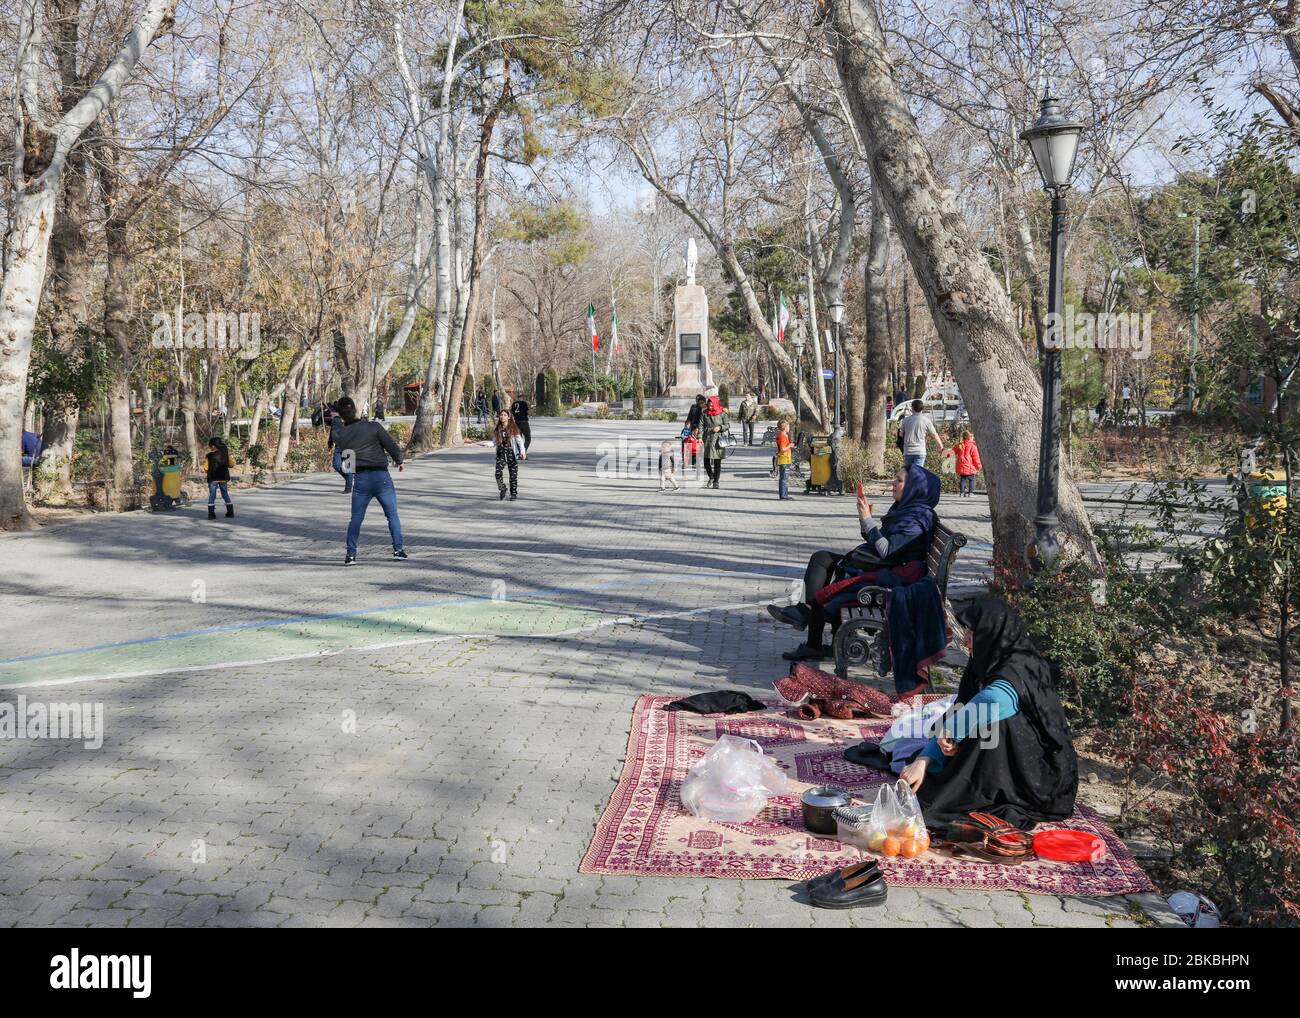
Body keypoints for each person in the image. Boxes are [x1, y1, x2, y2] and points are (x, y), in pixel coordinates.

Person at [899, 598, 1079, 831]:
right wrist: (943, 742)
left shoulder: (1020, 665)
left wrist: (931, 752)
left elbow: (992, 701)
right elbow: (965, 705)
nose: (965, 639)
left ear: (991, 632)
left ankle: (979, 792)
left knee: (997, 724)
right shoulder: (987, 660)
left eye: (972, 633)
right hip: (1007, 758)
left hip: (1041, 774)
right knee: (974, 724)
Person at [769, 464, 940, 661]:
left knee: (830, 568)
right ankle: (806, 618)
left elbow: (887, 551)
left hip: (890, 580)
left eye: (899, 481)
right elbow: (881, 545)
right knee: (822, 558)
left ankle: (809, 628)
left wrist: (868, 522)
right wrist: (864, 520)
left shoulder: (916, 519)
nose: (893, 483)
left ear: (915, 488)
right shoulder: (907, 511)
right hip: (886, 568)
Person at [333, 396, 406, 565]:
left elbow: (348, 466)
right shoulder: (373, 426)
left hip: (361, 480)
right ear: (355, 410)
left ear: (342, 415)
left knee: (356, 518)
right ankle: (398, 550)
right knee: (392, 515)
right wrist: (399, 461)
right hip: (382, 477)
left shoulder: (342, 436)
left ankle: (351, 555)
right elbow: (391, 445)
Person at [897, 399, 943, 469]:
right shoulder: (926, 420)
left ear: (912, 408)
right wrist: (940, 445)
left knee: (909, 473)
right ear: (922, 408)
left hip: (908, 451)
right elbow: (934, 434)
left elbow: (901, 434)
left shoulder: (906, 420)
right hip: (920, 451)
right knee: (918, 473)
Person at [491, 408, 525, 500]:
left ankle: (513, 494)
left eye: (505, 415)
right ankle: (502, 488)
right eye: (501, 415)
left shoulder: (513, 428)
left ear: (509, 417)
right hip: (501, 453)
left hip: (511, 453)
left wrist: (522, 452)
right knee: (497, 473)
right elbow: (493, 443)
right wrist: (484, 444)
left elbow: (520, 441)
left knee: (513, 475)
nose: (502, 417)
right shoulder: (497, 429)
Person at [699, 392, 730, 489]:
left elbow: (727, 425)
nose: (710, 406)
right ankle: (711, 476)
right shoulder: (704, 413)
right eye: (709, 404)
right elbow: (701, 425)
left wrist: (720, 427)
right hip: (707, 438)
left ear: (716, 404)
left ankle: (716, 481)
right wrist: (700, 437)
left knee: (717, 461)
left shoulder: (722, 413)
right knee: (706, 460)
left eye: (712, 404)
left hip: (718, 439)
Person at [204, 437, 233, 519]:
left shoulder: (209, 456)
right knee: (225, 494)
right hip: (223, 478)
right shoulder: (225, 454)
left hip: (213, 479)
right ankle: (230, 513)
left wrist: (210, 471)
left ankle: (211, 515)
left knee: (212, 495)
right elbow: (232, 464)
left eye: (210, 446)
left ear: (213, 446)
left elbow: (205, 468)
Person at [327, 405, 351, 493]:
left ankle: (348, 487)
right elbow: (332, 434)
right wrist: (329, 445)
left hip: (348, 446)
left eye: (332, 412)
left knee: (348, 468)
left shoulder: (339, 420)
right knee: (336, 465)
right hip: (339, 447)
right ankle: (349, 478)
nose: (330, 414)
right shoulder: (335, 421)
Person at [951, 429, 982, 498]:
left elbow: (952, 452)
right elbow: (976, 457)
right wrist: (979, 466)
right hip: (970, 467)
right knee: (972, 479)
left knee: (962, 479)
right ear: (970, 437)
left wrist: (946, 454)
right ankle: (970, 493)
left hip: (961, 466)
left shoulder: (959, 445)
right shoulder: (973, 446)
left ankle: (962, 493)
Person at [775, 418, 794, 500]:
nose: (789, 428)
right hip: (784, 459)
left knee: (784, 478)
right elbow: (782, 448)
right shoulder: (782, 436)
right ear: (785, 427)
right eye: (788, 426)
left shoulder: (781, 435)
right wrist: (790, 446)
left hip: (784, 459)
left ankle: (784, 494)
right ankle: (783, 495)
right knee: (784, 478)